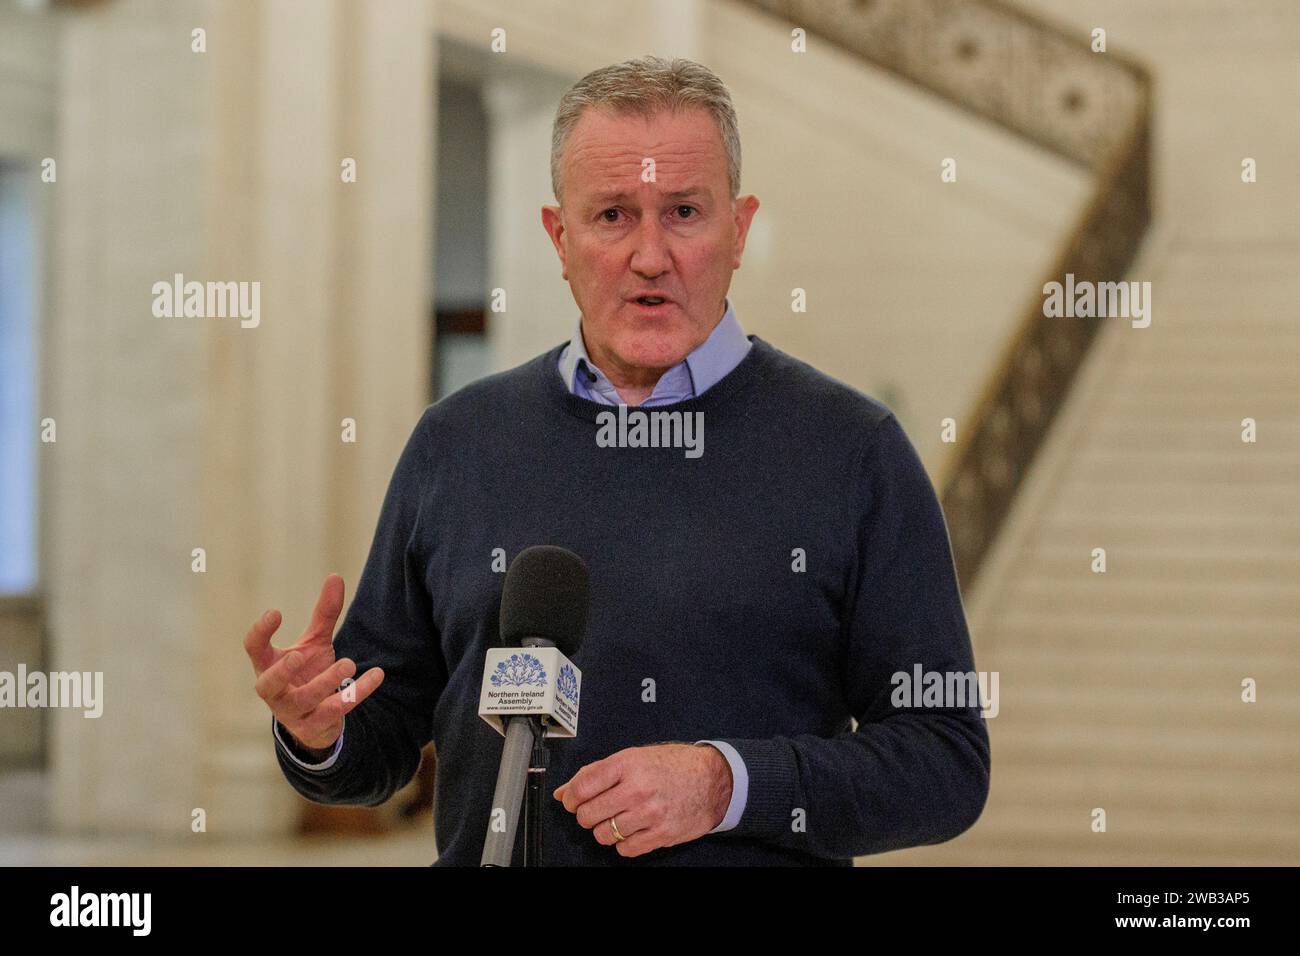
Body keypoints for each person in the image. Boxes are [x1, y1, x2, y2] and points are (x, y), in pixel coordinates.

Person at [244, 55, 989, 866]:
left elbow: (944, 762)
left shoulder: (854, 454)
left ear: (737, 231)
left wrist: (727, 783)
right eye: (611, 216)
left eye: (683, 212)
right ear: (558, 239)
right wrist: (320, 732)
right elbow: (381, 740)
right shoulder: (457, 443)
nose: (649, 255)